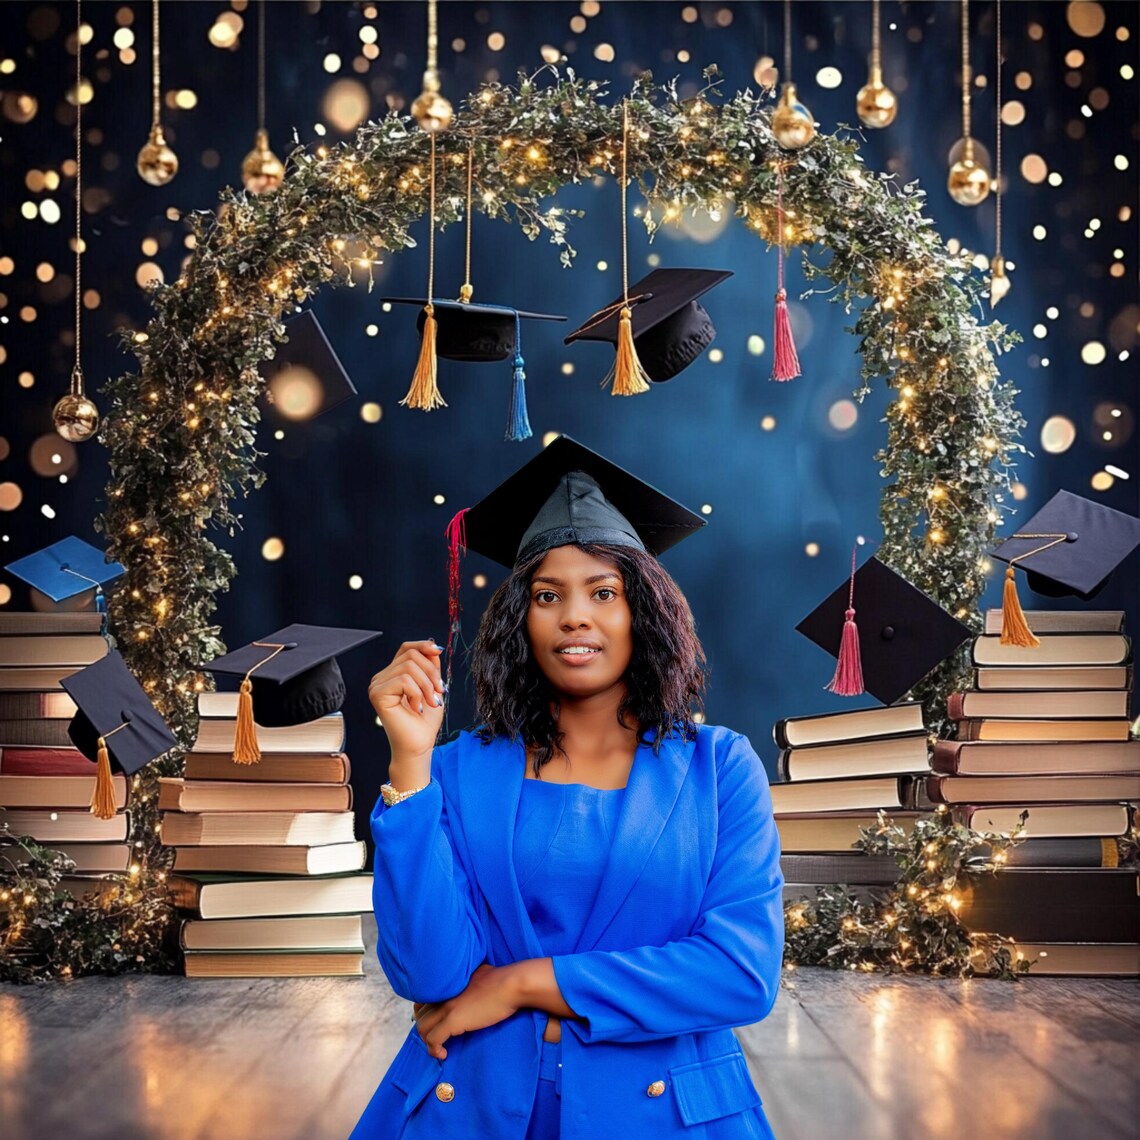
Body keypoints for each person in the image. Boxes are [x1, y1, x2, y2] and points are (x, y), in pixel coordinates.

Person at [350, 436, 784, 1140]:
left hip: (662, 1115)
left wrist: (520, 983)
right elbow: (428, 975)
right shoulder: (454, 771)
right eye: (547, 595)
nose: (574, 615)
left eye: (603, 593)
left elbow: (740, 973)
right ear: (520, 621)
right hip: (469, 1104)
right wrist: (410, 762)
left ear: (643, 613)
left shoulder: (721, 769)